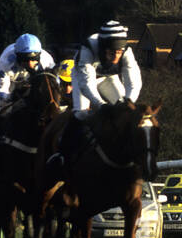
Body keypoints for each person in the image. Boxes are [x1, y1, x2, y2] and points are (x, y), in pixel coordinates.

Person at [48, 20, 141, 173]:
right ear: (103, 47)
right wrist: (100, 105)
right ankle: (62, 154)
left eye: (119, 52)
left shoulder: (127, 52)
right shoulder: (88, 48)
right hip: (82, 79)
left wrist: (128, 103)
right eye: (112, 52)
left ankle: (128, 155)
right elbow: (87, 85)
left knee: (125, 112)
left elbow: (134, 82)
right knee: (81, 114)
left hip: (107, 78)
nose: (116, 57)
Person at [0, 33, 55, 108]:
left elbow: (54, 84)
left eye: (34, 59)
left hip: (34, 80)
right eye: (25, 59)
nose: (30, 64)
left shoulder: (47, 60)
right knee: (0, 108)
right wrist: (11, 97)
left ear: (39, 55)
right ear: (17, 57)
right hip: (11, 84)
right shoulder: (5, 62)